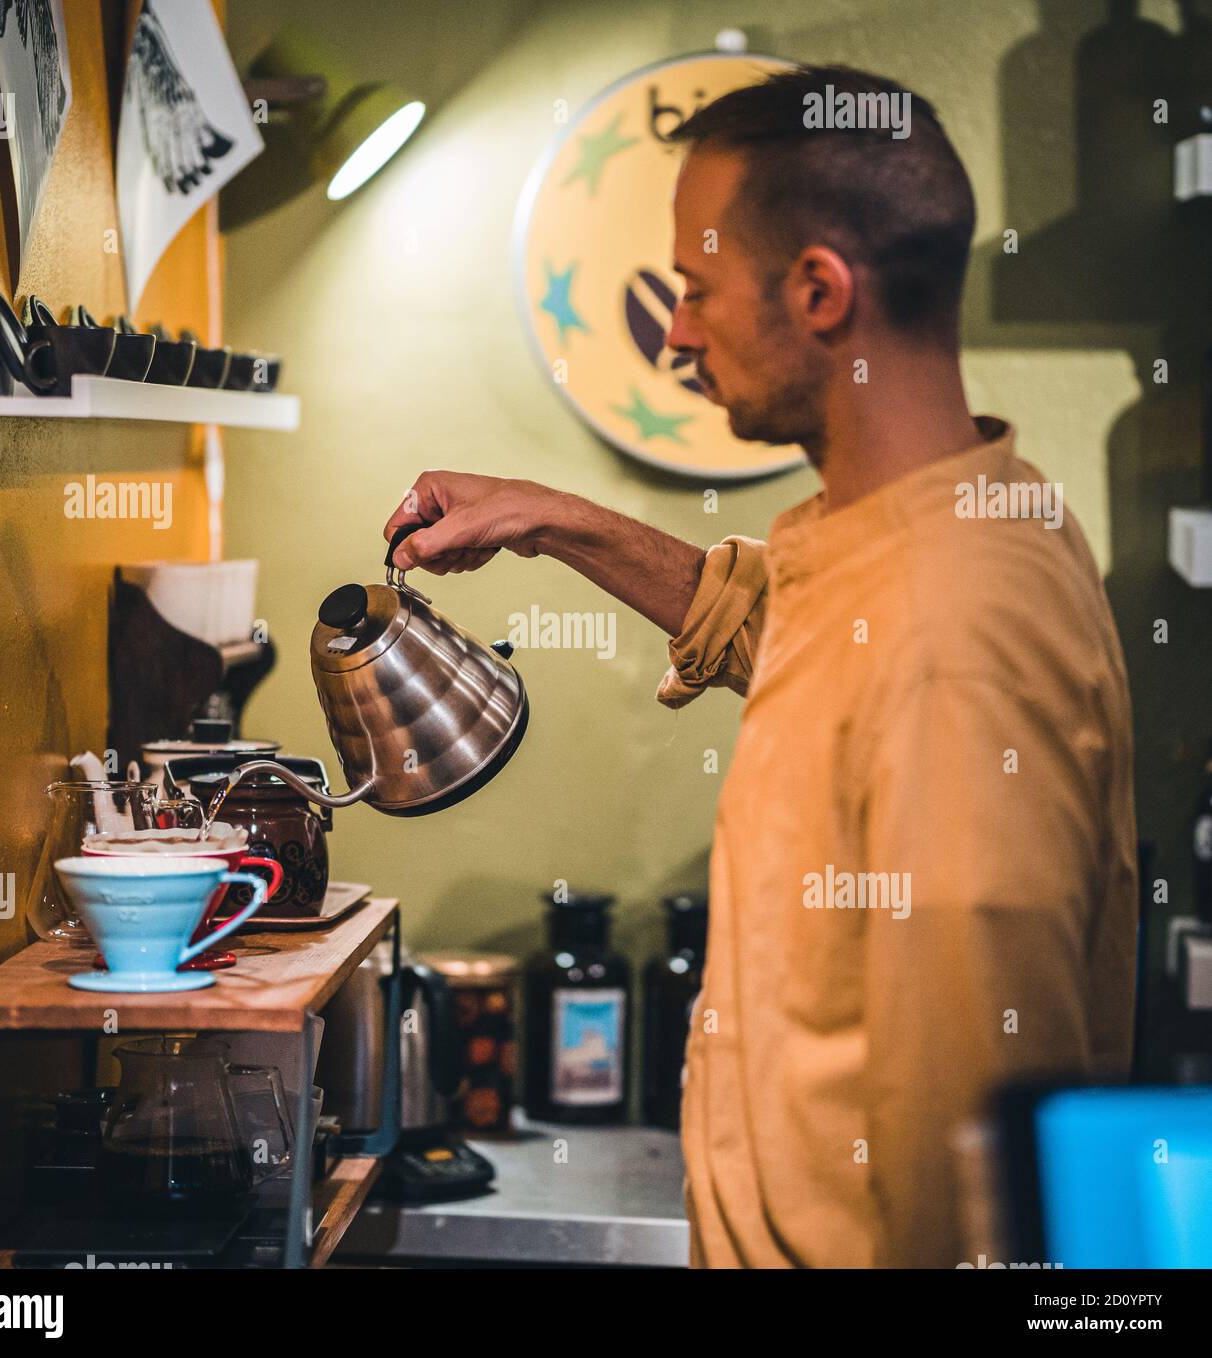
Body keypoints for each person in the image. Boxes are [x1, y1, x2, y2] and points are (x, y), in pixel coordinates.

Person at [383, 65, 1137, 1268]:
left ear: (819, 291)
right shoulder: (934, 526)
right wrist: (554, 519)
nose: (677, 328)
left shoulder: (955, 639)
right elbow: (782, 628)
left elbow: (976, 1173)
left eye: (695, 287)